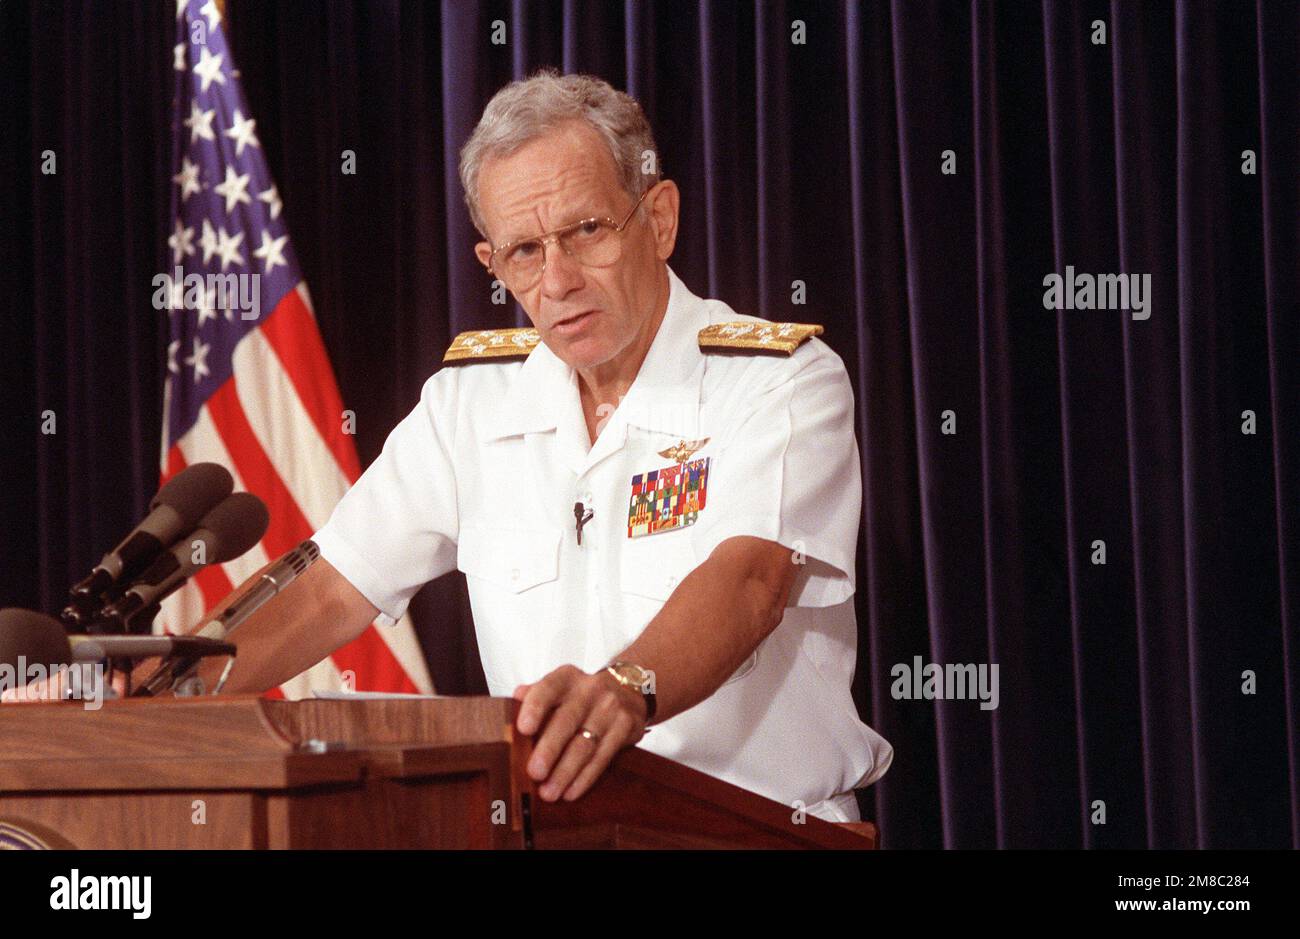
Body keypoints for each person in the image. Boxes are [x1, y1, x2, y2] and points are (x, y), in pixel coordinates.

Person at [187, 70, 892, 823]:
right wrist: (170, 681)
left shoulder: (780, 382)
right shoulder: (470, 403)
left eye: (587, 231)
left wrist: (624, 690)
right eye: (525, 249)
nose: (557, 280)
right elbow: (331, 586)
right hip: (552, 831)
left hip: (754, 832)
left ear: (658, 217)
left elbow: (750, 580)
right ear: (493, 265)